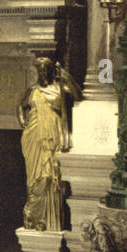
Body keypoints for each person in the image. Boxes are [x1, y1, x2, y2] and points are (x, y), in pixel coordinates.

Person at [18, 57, 82, 231]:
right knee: (34, 177)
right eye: (39, 70)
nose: (42, 73)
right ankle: (33, 216)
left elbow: (77, 96)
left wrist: (67, 77)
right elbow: (21, 106)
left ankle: (45, 218)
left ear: (51, 71)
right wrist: (23, 119)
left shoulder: (60, 90)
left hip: (52, 138)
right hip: (33, 138)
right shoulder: (32, 90)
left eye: (45, 69)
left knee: (48, 176)